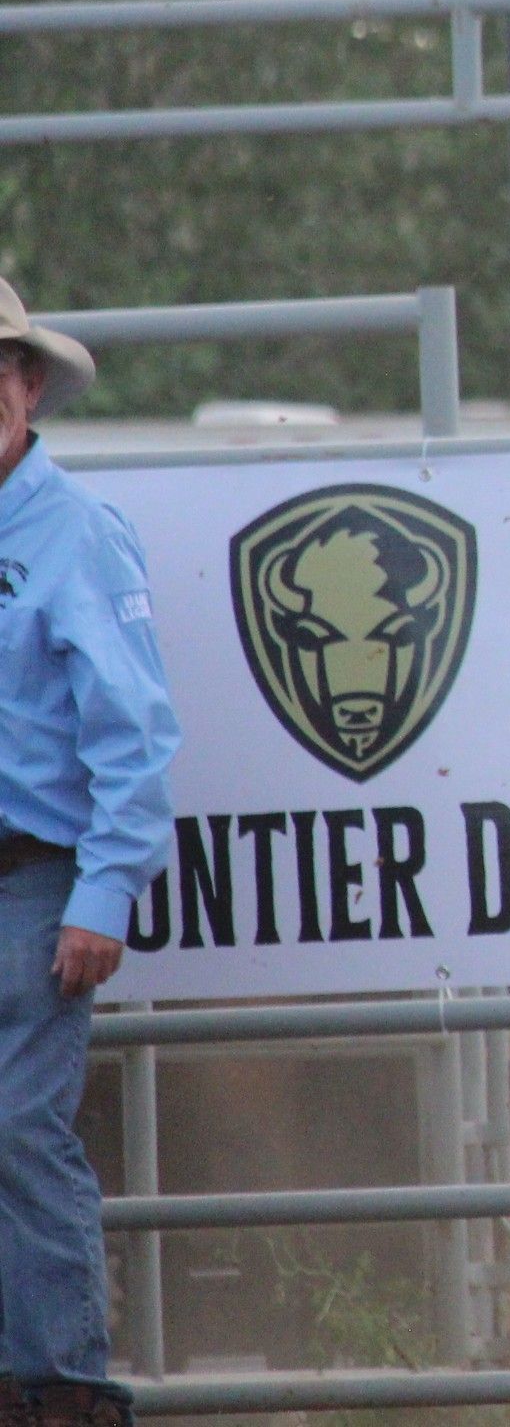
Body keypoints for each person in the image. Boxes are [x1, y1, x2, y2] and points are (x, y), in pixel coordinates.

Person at [0, 282, 178, 1427]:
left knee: (17, 1122)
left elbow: (136, 731)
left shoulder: (72, 533)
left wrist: (103, 889)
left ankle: (63, 1384)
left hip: (34, 878)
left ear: (23, 389)